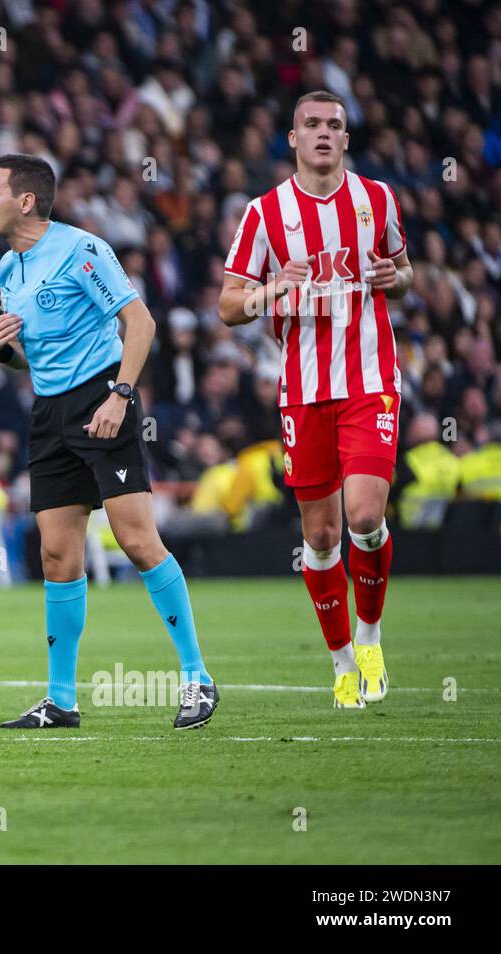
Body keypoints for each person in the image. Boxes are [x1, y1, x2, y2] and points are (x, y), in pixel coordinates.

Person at [0, 153, 217, 731]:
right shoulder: (10, 269)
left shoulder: (83, 249)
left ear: (25, 200)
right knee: (57, 556)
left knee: (136, 541)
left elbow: (142, 324)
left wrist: (120, 396)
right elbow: (31, 359)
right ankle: (61, 700)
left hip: (102, 401)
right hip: (51, 413)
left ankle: (197, 679)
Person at [219, 90, 412, 709]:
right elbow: (228, 307)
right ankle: (340, 664)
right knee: (322, 538)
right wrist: (273, 288)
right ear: (293, 138)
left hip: (370, 382)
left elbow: (404, 273)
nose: (324, 133)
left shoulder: (377, 199)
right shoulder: (264, 213)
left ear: (346, 139)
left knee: (364, 515)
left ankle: (371, 635)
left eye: (334, 124)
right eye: (312, 125)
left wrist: (396, 278)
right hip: (303, 392)